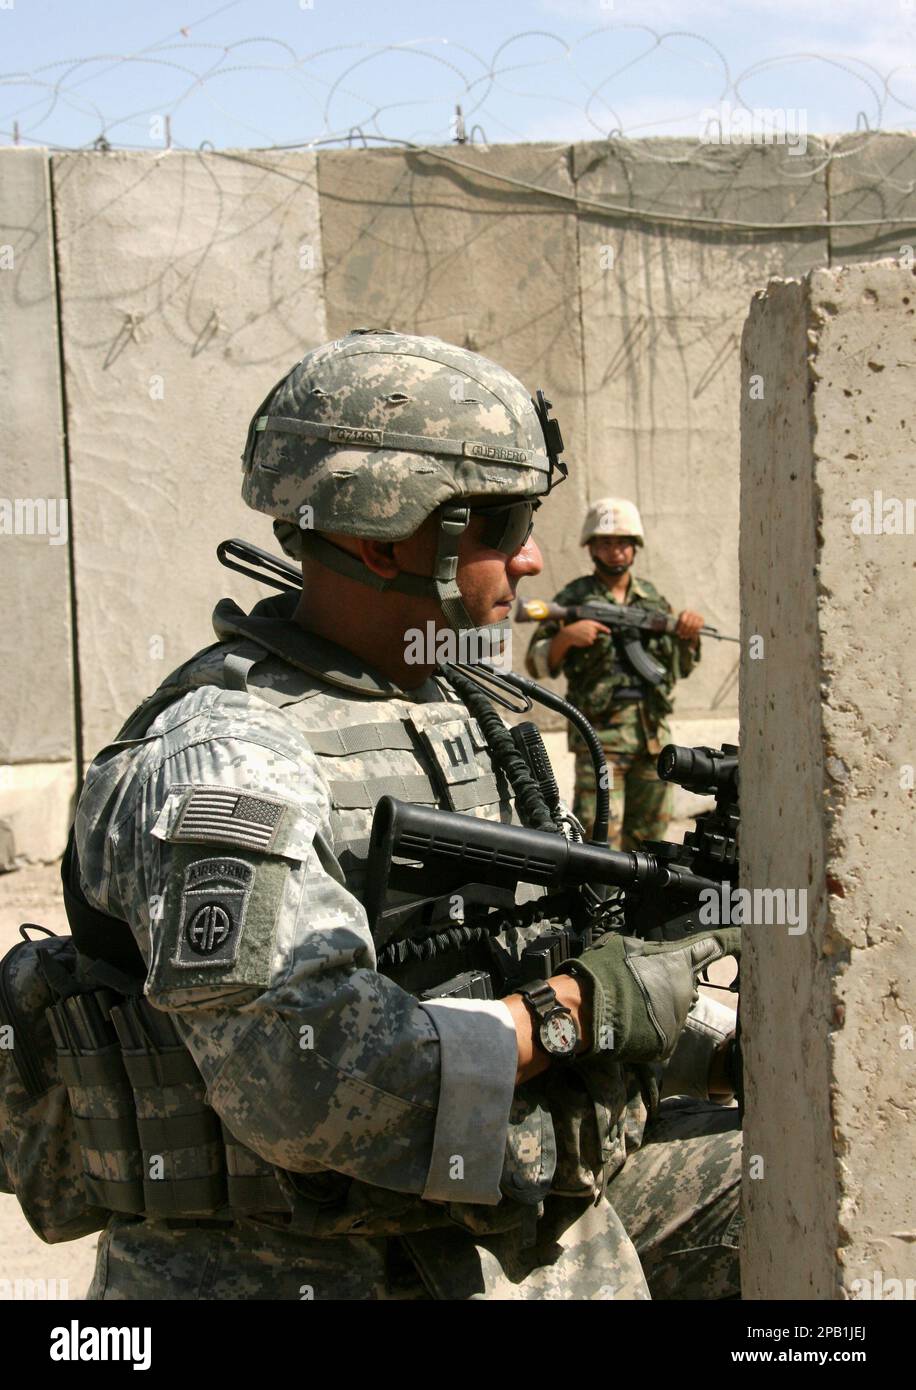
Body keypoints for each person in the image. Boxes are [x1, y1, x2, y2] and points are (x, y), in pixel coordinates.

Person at [70, 331, 741, 1300]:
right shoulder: (229, 756)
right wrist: (579, 1013)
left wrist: (702, 1025)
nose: (534, 557)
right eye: (504, 524)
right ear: (389, 533)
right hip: (303, 1264)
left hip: (480, 1217)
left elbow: (507, 962)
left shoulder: (455, 712)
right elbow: (305, 1077)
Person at [525, 499, 705, 849]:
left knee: (652, 843)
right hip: (600, 741)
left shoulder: (652, 600)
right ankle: (594, 906)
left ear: (635, 547)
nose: (615, 552)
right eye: (605, 543)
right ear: (591, 547)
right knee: (597, 839)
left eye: (622, 542)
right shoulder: (575, 598)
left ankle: (641, 905)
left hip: (651, 739)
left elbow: (679, 668)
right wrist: (565, 637)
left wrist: (689, 636)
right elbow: (536, 663)